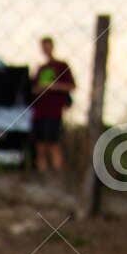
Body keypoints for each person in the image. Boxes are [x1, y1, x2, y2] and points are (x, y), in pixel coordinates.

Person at [30, 36, 76, 172]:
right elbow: (33, 89)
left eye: (48, 46)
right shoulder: (40, 68)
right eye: (43, 47)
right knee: (40, 144)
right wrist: (39, 89)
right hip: (39, 110)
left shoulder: (61, 66)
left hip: (54, 111)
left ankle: (57, 173)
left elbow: (71, 86)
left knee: (53, 142)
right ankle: (42, 174)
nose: (46, 49)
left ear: (52, 47)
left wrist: (53, 86)